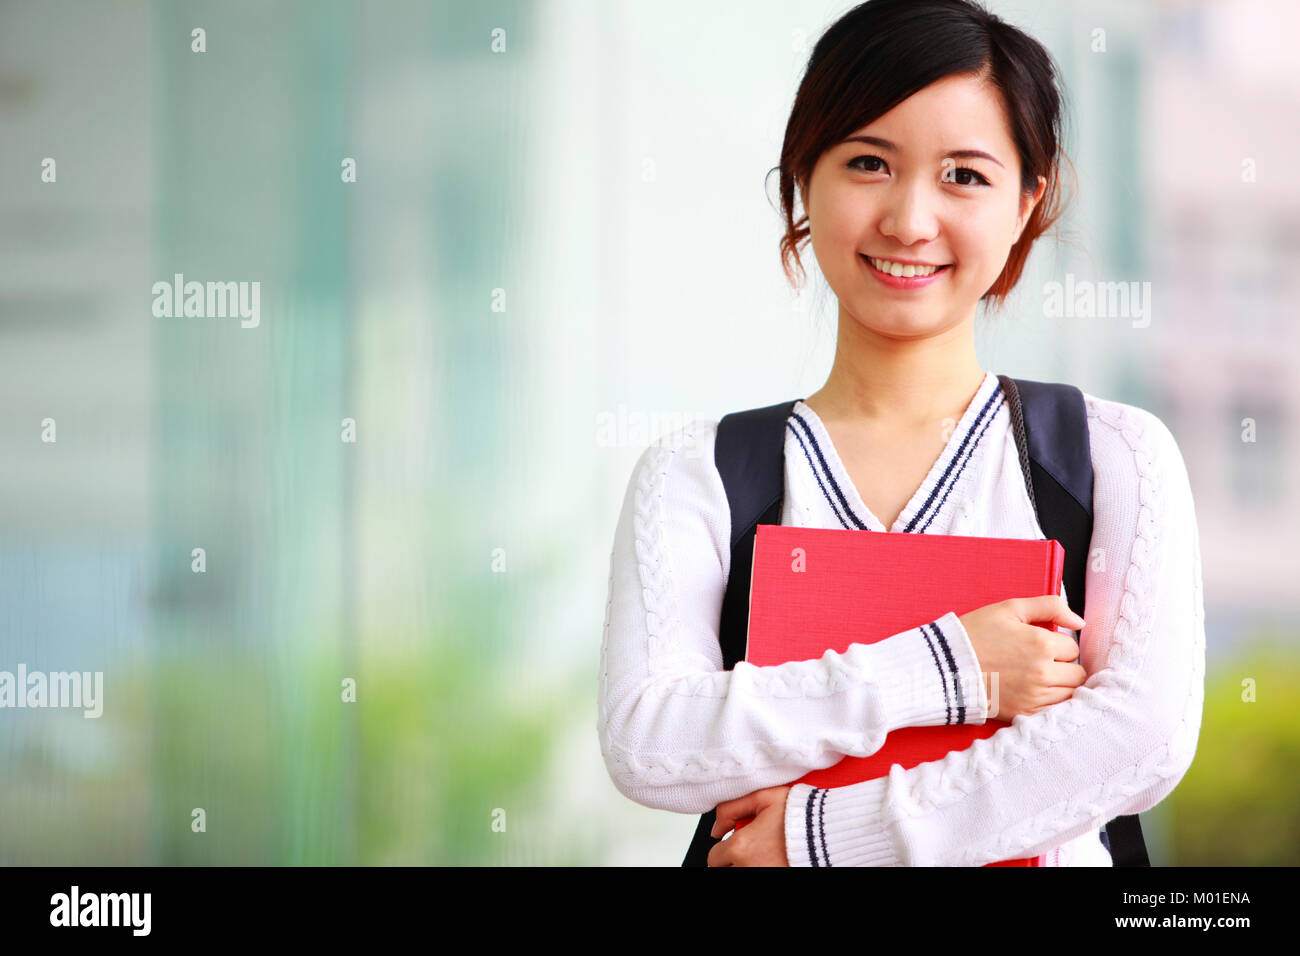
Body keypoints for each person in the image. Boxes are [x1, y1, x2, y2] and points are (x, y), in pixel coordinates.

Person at [596, 0, 1204, 867]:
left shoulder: (1110, 458)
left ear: (1030, 199)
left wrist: (823, 839)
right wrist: (954, 668)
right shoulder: (701, 473)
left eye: (965, 175)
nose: (910, 221)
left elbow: (1137, 741)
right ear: (805, 174)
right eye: (870, 162)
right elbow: (648, 743)